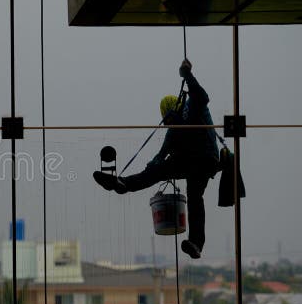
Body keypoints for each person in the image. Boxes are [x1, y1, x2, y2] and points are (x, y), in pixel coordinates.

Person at [93, 58, 219, 259]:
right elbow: (161, 156)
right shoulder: (174, 128)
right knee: (168, 178)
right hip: (192, 160)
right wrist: (151, 167)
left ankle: (196, 242)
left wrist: (188, 75)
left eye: (168, 119)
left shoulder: (191, 106)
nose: (168, 123)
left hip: (204, 158)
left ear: (172, 109)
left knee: (195, 196)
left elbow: (202, 97)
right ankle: (122, 184)